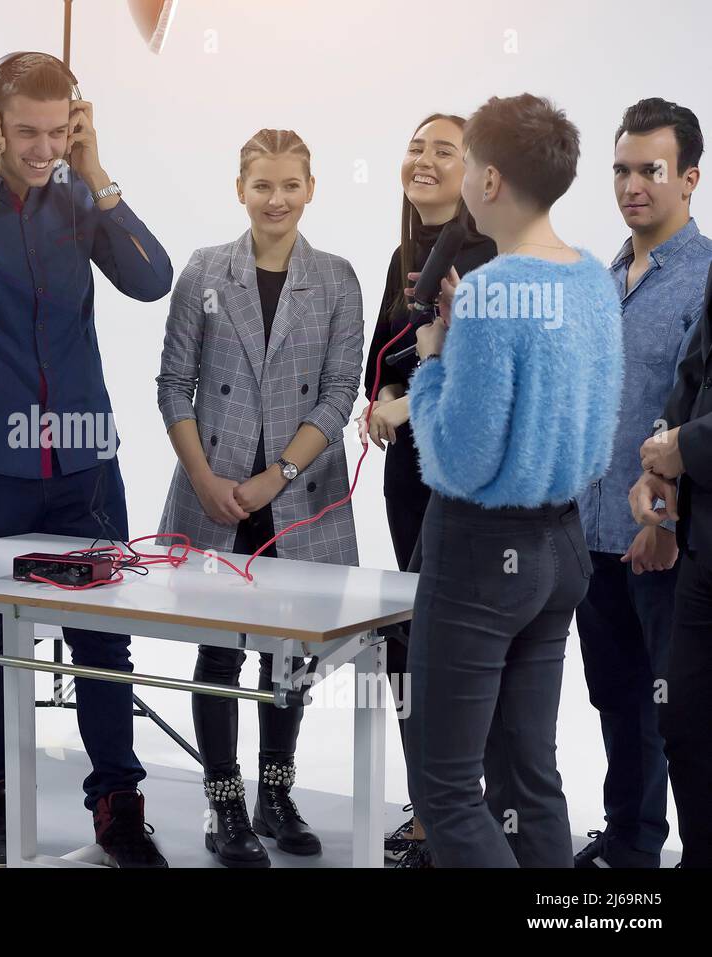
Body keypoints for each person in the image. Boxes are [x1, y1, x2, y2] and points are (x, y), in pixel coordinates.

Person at [0, 52, 174, 867]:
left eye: (59, 132)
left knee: (104, 635)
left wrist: (97, 172)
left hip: (83, 462)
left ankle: (118, 806)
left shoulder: (79, 193)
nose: (43, 147)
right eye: (27, 131)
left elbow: (153, 279)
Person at [404, 94, 623, 867]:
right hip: (561, 547)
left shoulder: (495, 291)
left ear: (489, 180)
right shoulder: (593, 276)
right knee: (532, 779)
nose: (455, 177)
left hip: (480, 555)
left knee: (449, 790)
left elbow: (459, 459)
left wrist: (435, 359)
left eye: (463, 164)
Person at [156, 129, 363, 867]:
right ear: (239, 189)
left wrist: (275, 474)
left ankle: (276, 791)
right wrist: (205, 478)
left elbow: (342, 393)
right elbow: (171, 384)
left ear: (312, 188)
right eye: (262, 186)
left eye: (290, 185)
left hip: (299, 492)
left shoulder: (337, 278)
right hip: (213, 492)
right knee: (219, 655)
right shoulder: (205, 270)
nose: (276, 200)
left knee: (290, 658)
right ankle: (225, 803)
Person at [355, 112, 497, 864]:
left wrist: (407, 403)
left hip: (460, 480)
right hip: (405, 477)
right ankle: (429, 807)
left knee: (453, 644)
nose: (425, 160)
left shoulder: (489, 254)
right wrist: (378, 404)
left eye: (445, 150)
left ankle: (462, 812)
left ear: (476, 171)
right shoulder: (403, 253)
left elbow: (481, 372)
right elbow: (391, 359)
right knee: (407, 644)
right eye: (415, 146)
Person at [574, 98, 712, 869]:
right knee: (615, 696)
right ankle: (628, 834)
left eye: (650, 170)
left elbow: (696, 416)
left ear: (689, 178)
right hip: (590, 530)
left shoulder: (707, 281)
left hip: (664, 541)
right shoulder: (602, 278)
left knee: (673, 709)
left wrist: (663, 520)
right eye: (622, 169)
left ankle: (659, 848)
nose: (633, 184)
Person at [632, 263, 712, 869]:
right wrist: (660, 470)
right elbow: (696, 370)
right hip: (704, 540)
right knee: (683, 723)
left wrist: (686, 447)